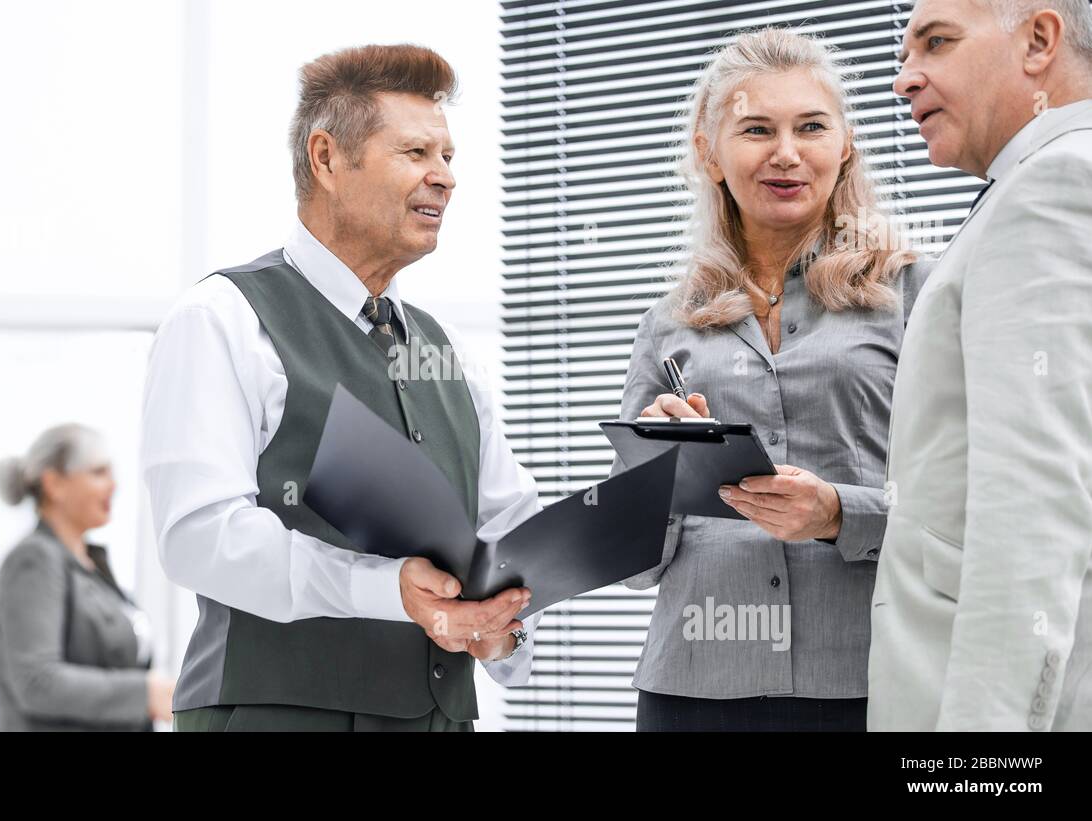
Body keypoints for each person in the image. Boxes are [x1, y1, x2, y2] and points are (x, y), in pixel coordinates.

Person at [141, 44, 542, 732]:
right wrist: (385, 589)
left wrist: (502, 632)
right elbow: (198, 536)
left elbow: (509, 532)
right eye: (417, 153)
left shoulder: (449, 354)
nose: (445, 178)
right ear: (326, 159)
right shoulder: (223, 318)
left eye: (449, 157)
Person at [615, 28, 933, 731]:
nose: (786, 153)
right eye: (756, 128)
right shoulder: (669, 322)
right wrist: (658, 478)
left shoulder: (919, 292)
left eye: (811, 127)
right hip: (692, 691)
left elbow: (968, 502)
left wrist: (842, 514)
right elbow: (633, 562)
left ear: (844, 143)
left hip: (868, 682)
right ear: (709, 152)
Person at [869, 0, 1092, 731]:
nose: (905, 80)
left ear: (1038, 41)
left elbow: (1032, 508)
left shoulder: (1050, 191)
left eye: (935, 42)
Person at [0, 424, 173, 731]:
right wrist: (144, 693)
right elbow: (37, 681)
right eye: (99, 472)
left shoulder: (92, 567)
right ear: (54, 484)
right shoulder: (34, 561)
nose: (114, 485)